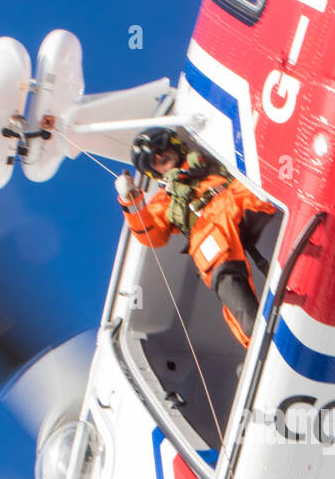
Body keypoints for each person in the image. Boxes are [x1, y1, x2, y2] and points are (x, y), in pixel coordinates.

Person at [115, 129, 276, 348]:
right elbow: (151, 234)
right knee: (218, 265)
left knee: (264, 185)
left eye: (162, 149)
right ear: (154, 172)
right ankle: (257, 338)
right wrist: (131, 201)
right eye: (154, 161)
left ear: (175, 145)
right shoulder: (163, 199)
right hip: (209, 229)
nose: (160, 157)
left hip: (237, 198)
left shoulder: (210, 158)